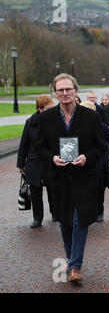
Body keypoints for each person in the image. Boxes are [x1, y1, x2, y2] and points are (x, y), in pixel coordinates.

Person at [36, 73, 106, 283]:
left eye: (68, 89)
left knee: (79, 221)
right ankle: (71, 259)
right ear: (55, 93)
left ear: (76, 90)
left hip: (84, 177)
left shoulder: (91, 116)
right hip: (58, 178)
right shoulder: (45, 118)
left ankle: (75, 265)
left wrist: (87, 157)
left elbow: (102, 146)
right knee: (64, 222)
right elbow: (39, 147)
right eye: (60, 90)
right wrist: (52, 158)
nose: (65, 93)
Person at [17, 94, 56, 228]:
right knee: (35, 190)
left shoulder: (55, 121)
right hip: (33, 161)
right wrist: (20, 163)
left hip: (50, 160)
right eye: (47, 108)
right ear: (40, 109)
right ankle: (37, 218)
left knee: (53, 188)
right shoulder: (30, 122)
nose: (51, 110)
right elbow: (24, 143)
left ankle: (55, 213)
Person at [79, 101, 109, 223]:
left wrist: (102, 149)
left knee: (99, 187)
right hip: (82, 162)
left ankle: (99, 211)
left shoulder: (101, 126)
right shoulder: (77, 126)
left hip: (99, 162)